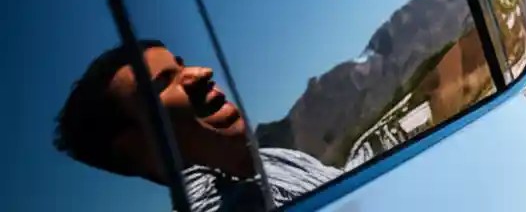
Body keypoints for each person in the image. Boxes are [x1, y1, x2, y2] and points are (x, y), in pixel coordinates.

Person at [55, 41, 340, 211]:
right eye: (163, 83)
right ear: (139, 148)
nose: (202, 72)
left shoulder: (274, 160)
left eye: (182, 66)